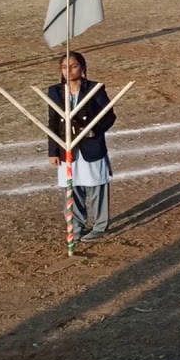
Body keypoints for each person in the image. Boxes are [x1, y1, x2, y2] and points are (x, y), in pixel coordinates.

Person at [47, 52, 117, 242]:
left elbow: (109, 116)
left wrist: (94, 131)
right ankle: (76, 226)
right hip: (67, 148)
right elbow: (53, 122)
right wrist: (53, 151)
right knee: (72, 188)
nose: (68, 70)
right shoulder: (55, 92)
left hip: (91, 147)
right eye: (64, 67)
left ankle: (100, 226)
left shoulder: (95, 89)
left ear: (83, 68)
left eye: (73, 66)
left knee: (96, 187)